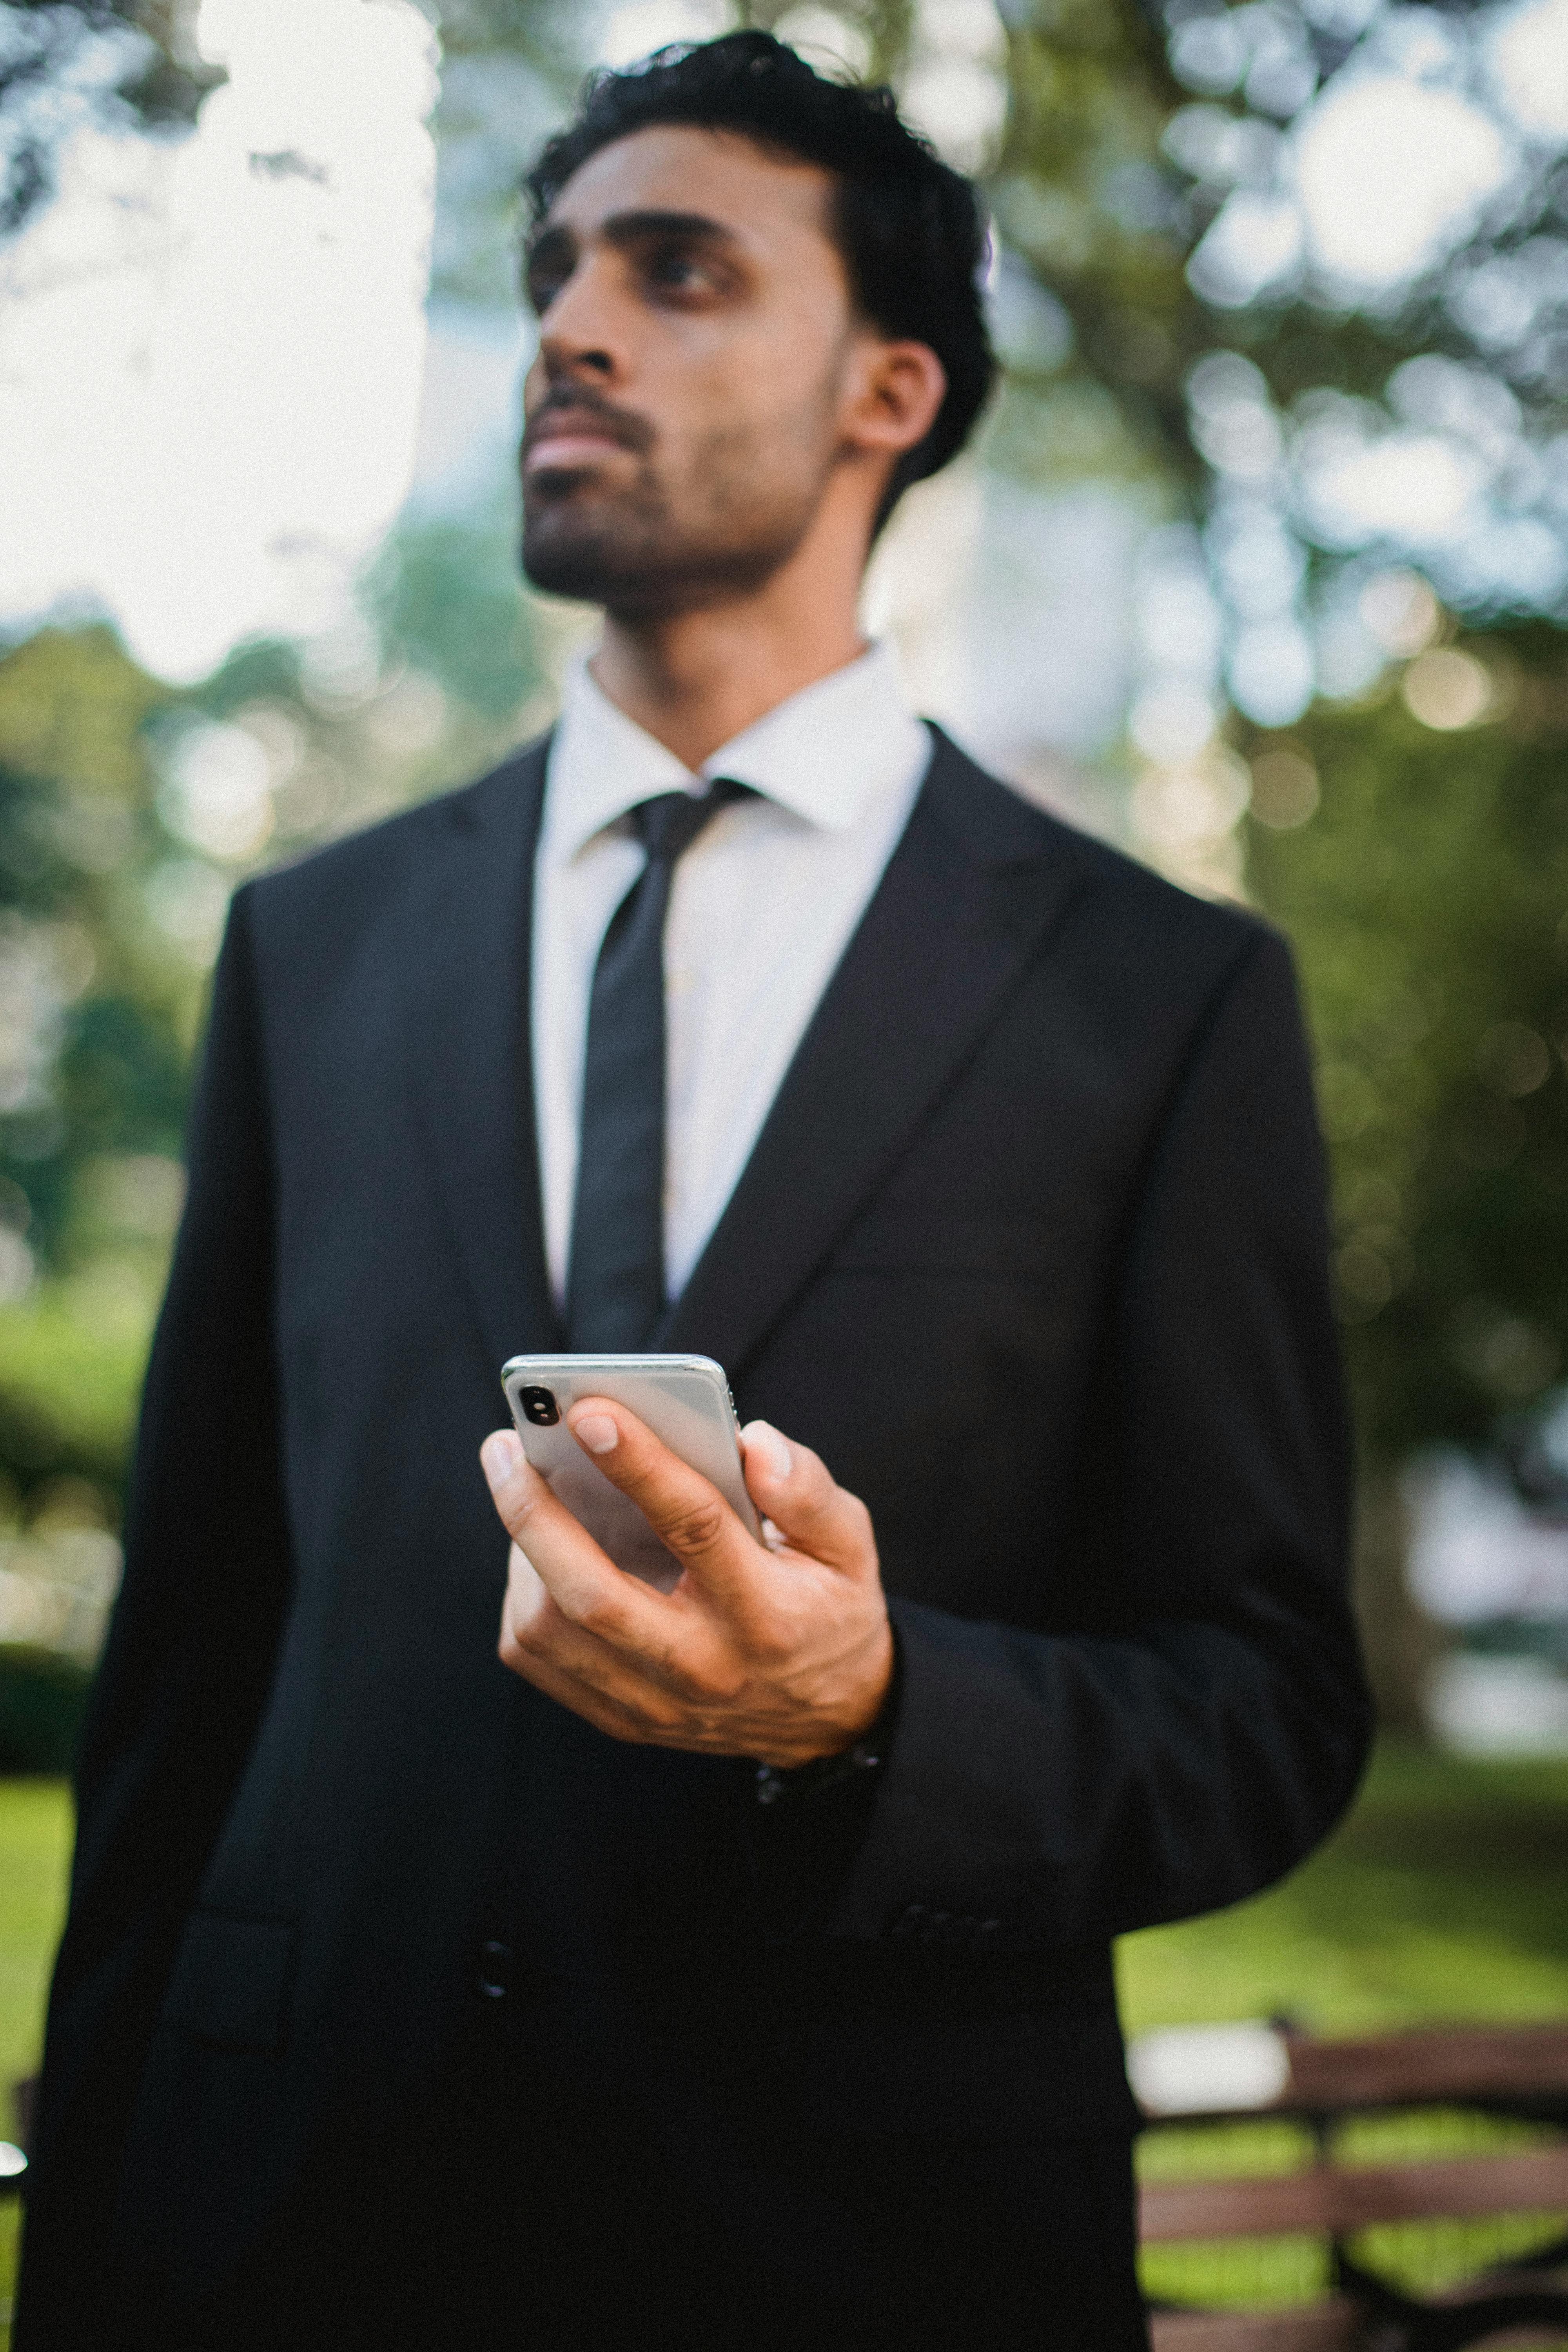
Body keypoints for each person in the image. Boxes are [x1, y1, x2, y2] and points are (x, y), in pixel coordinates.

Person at [18, 32, 1372, 2352]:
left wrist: (875, 1700)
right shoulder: (311, 945)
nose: (572, 322)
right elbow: (190, 1657)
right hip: (283, 2222)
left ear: (888, 388)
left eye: (679, 270)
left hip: (853, 2244)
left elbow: (1261, 1704)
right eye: (556, 268)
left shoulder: (1162, 995)